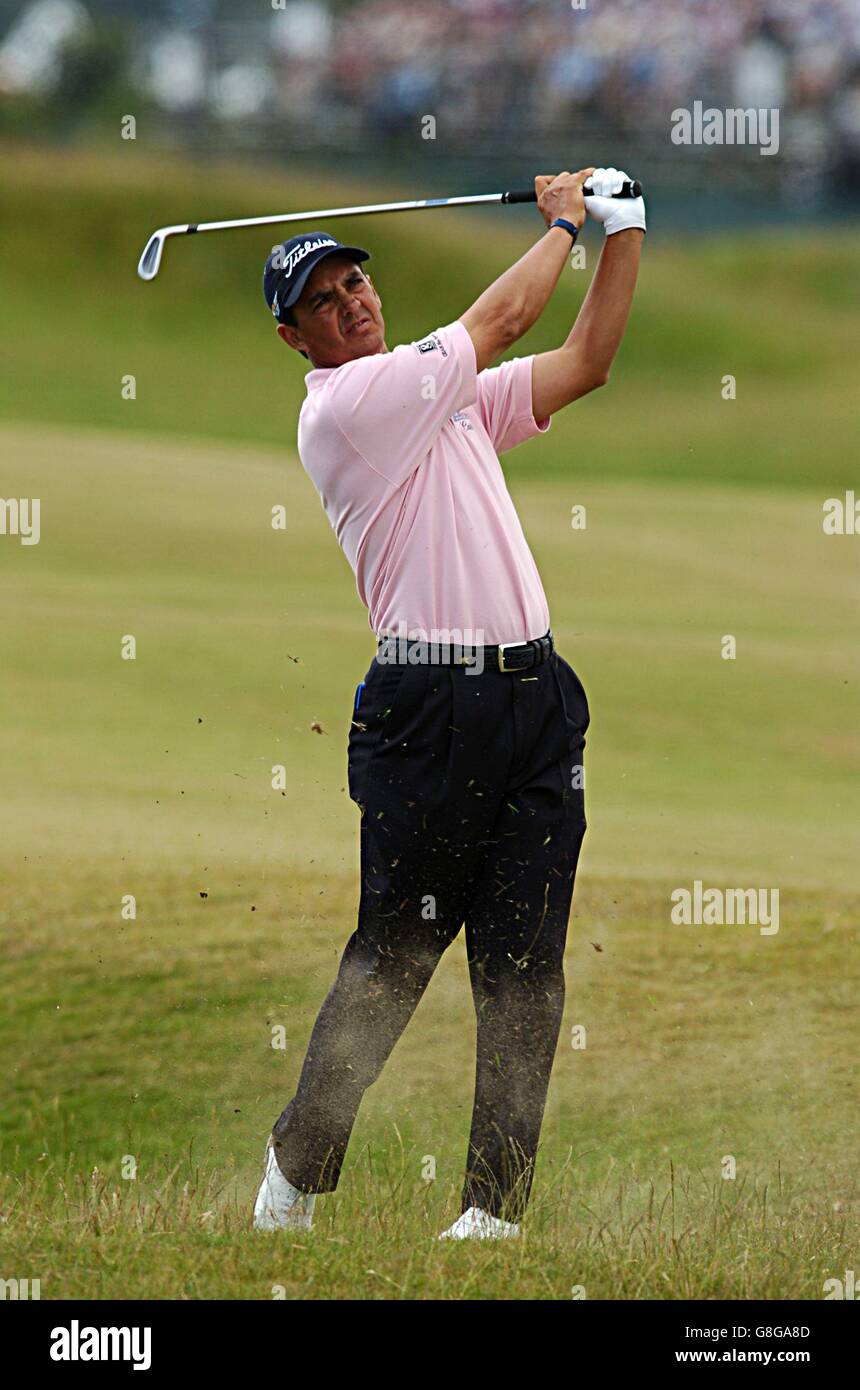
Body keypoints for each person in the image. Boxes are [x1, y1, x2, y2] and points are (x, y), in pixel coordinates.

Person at [253, 167, 645, 1239]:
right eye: (323, 303)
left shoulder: (441, 395)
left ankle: (491, 1212)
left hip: (533, 704)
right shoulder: (352, 407)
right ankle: (295, 1165)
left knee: (524, 968)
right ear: (297, 339)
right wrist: (563, 220)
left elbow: (583, 361)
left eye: (355, 285)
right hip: (426, 712)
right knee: (395, 957)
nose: (352, 304)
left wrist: (624, 228)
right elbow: (504, 312)